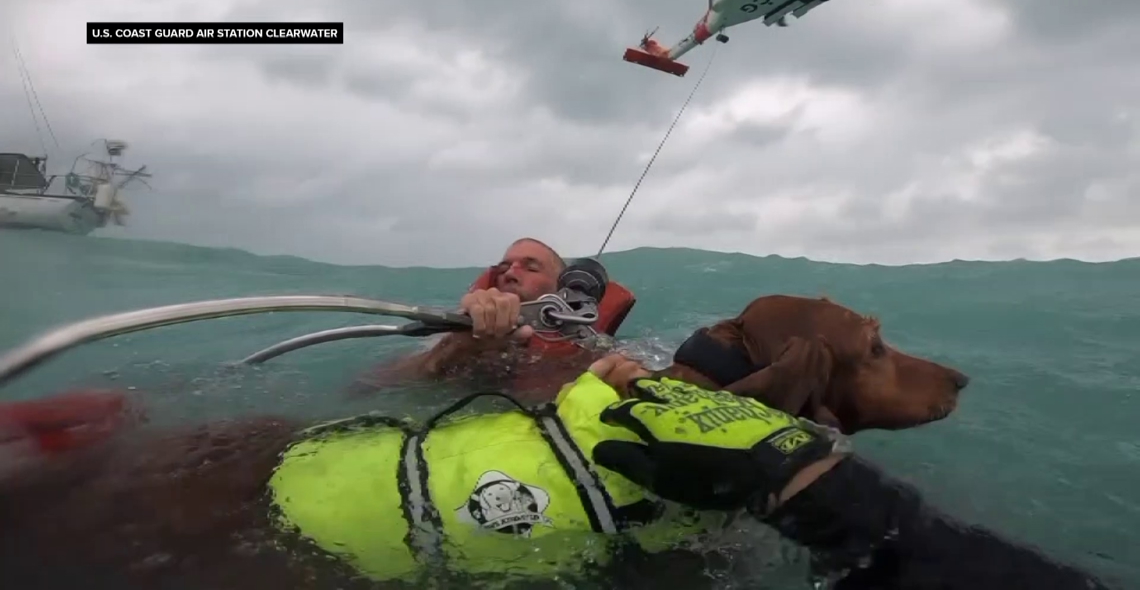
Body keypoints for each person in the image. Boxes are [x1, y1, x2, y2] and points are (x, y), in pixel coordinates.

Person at [270, 353, 1116, 589]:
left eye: (549, 269)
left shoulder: (602, 369)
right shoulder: (516, 360)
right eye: (513, 267)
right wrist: (460, 343)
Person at [351, 238, 607, 398]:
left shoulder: (590, 346)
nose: (510, 273)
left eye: (531, 267)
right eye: (504, 267)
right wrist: (460, 346)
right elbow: (368, 384)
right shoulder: (455, 332)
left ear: (560, 290)